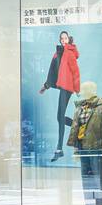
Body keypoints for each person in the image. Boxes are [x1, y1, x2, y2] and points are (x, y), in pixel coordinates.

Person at [38, 31, 80, 161]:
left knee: (60, 116)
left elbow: (75, 71)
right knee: (59, 117)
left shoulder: (69, 52)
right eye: (61, 38)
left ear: (69, 39)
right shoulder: (57, 53)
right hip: (62, 86)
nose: (63, 40)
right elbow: (52, 71)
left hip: (67, 88)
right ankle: (77, 126)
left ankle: (59, 149)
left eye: (65, 38)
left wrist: (77, 89)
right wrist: (46, 86)